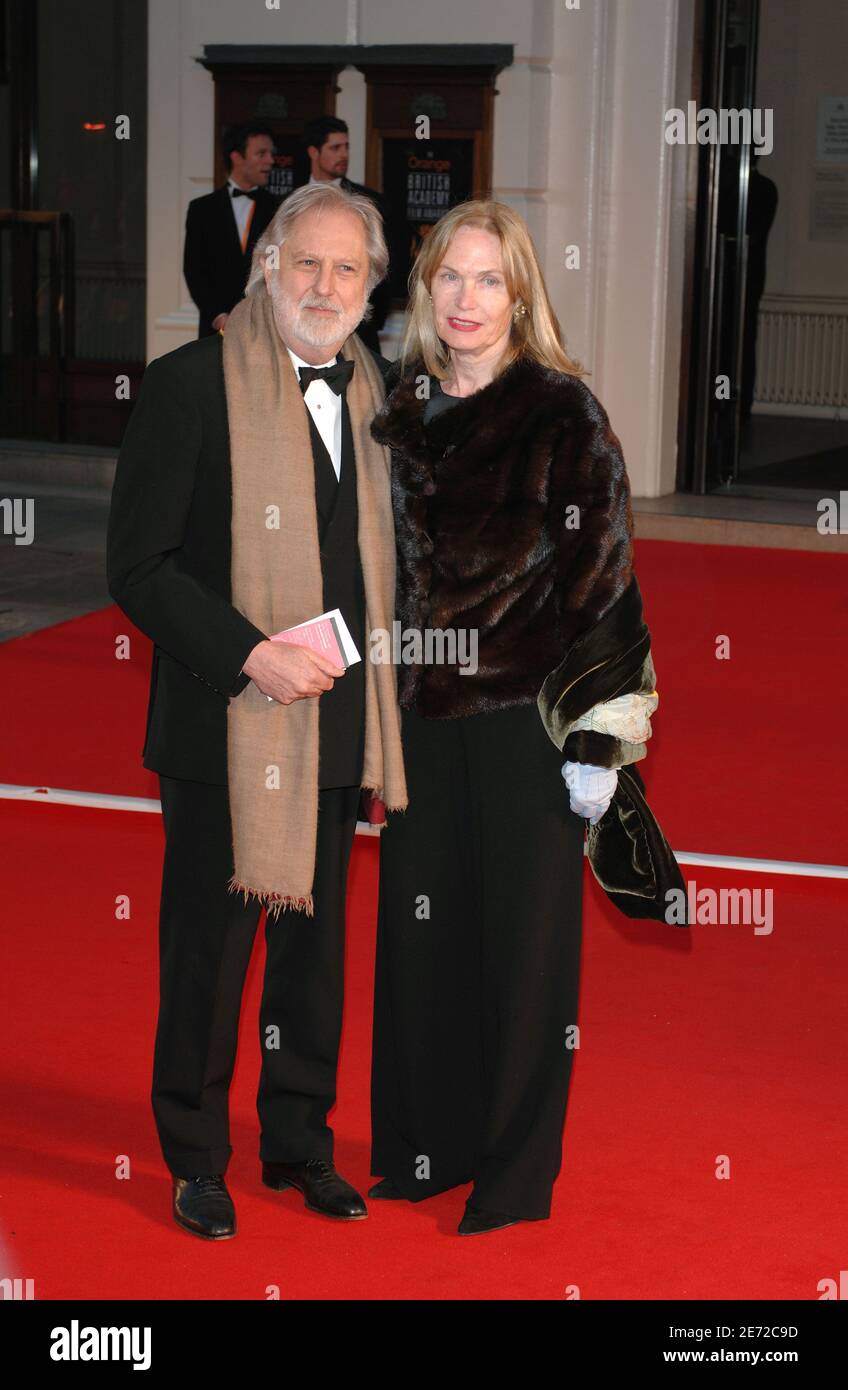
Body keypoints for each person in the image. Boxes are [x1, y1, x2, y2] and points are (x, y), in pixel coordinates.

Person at [107, 182, 407, 1241]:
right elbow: (137, 566)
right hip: (219, 723)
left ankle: (298, 1141)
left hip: (333, 723)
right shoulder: (188, 387)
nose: (325, 285)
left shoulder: (380, 399)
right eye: (307, 261)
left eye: (348, 269)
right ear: (266, 265)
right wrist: (250, 656)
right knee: (209, 948)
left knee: (310, 951)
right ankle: (194, 1152)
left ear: (370, 292)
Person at [367, 199, 666, 1235]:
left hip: (526, 726)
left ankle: (511, 1173)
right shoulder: (397, 410)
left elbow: (603, 587)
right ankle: (422, 1147)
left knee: (525, 953)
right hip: (417, 718)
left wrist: (599, 744)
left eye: (487, 279)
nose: (465, 299)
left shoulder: (559, 413)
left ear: (519, 295)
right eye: (449, 276)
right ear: (425, 288)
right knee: (420, 941)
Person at [298, 115, 393, 352]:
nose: (344, 155)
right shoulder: (288, 203)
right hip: (297, 329)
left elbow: (386, 265)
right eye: (335, 148)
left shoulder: (371, 203)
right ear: (313, 152)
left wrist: (368, 317)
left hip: (357, 331)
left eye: (347, 147)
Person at [183, 121, 280, 338]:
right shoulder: (201, 209)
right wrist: (218, 316)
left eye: (270, 154)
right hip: (216, 332)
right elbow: (194, 271)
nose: (270, 161)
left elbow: (281, 270)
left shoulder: (280, 209)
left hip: (267, 330)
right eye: (261, 154)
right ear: (237, 157)